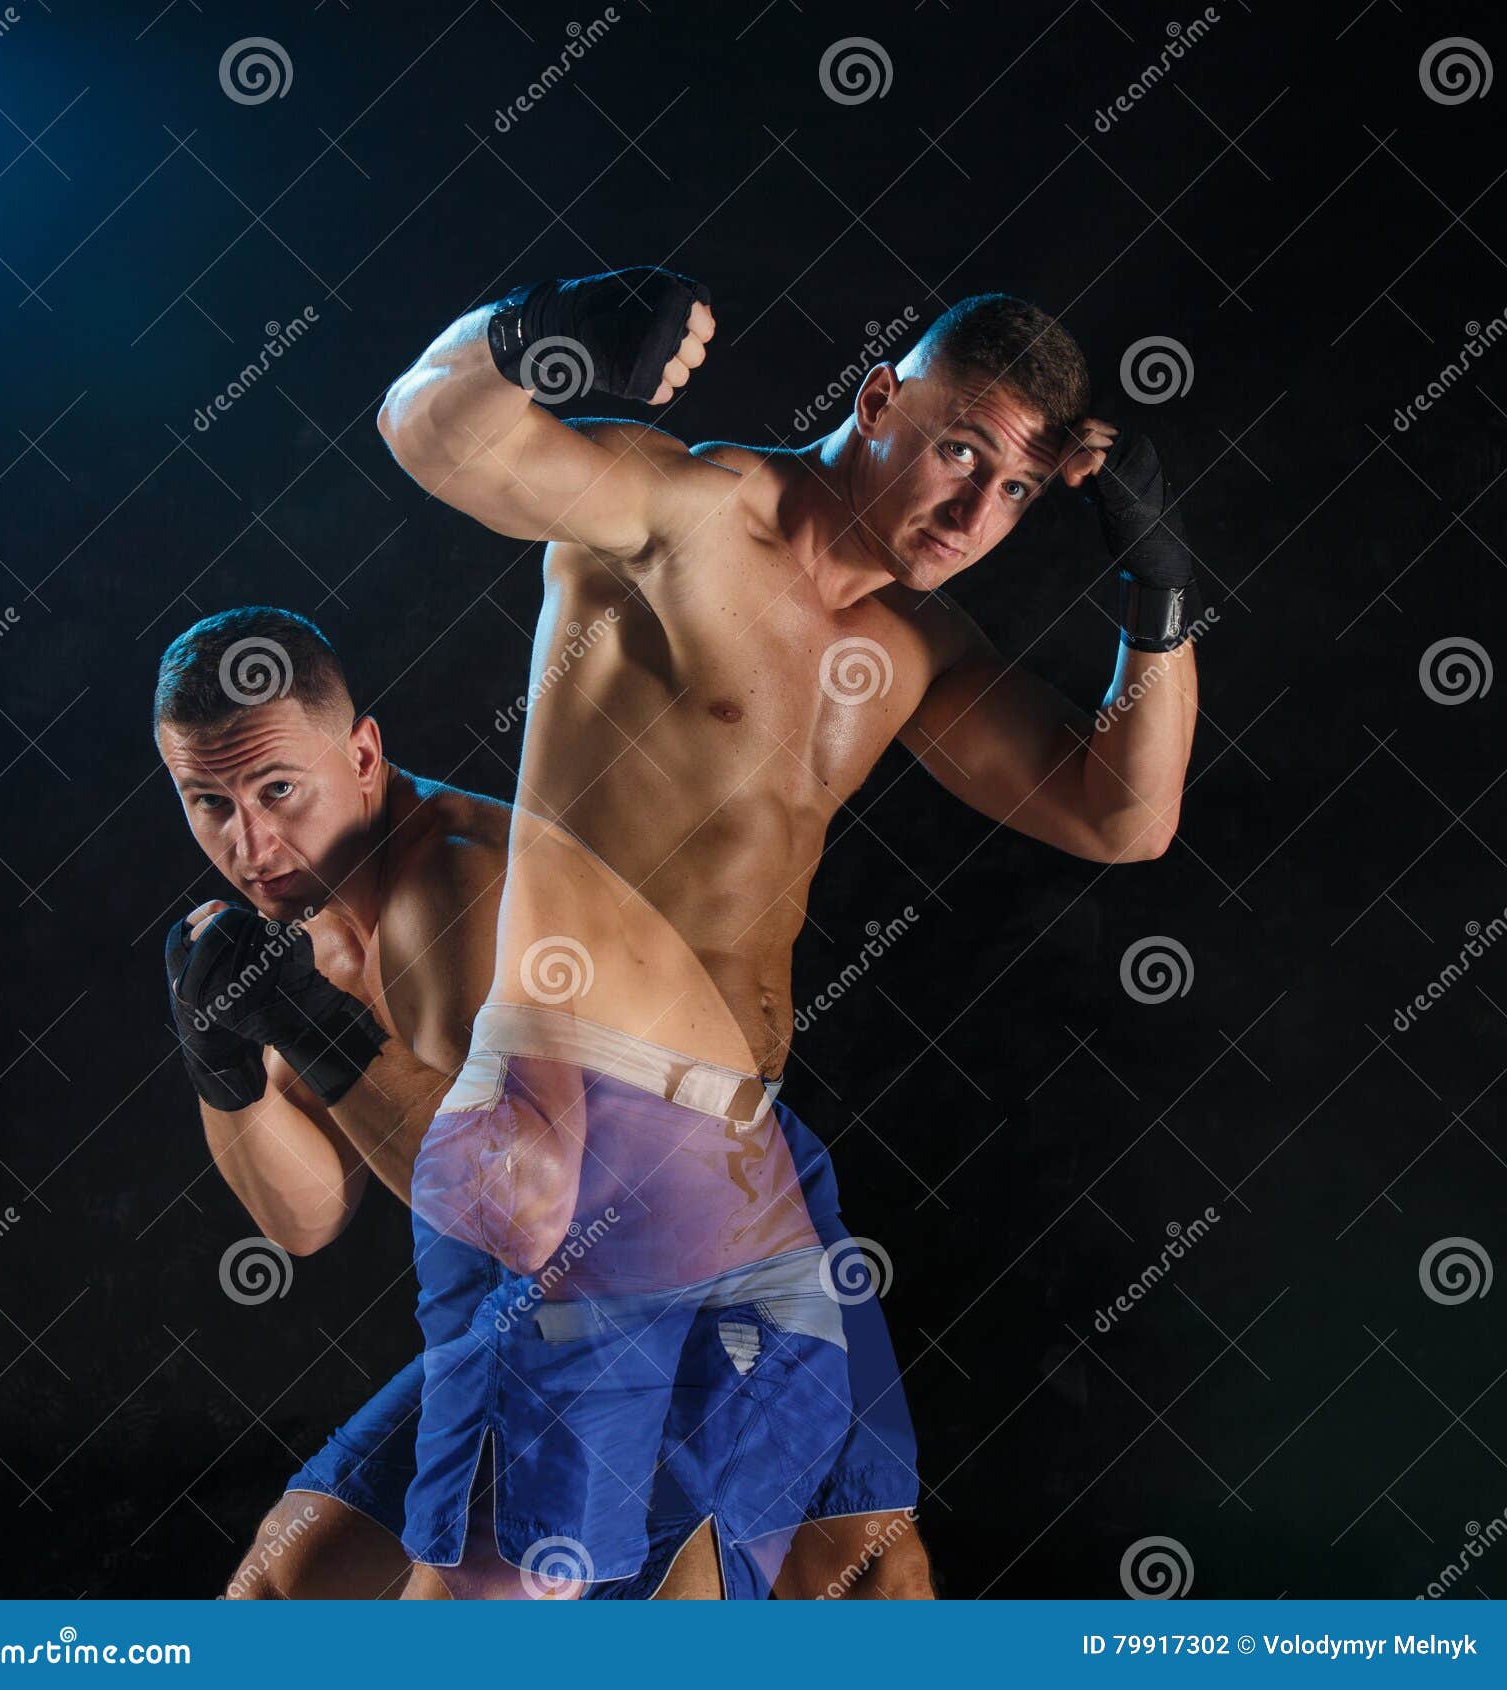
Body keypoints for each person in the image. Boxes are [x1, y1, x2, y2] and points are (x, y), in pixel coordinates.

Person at [375, 268, 1201, 1599]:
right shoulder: (685, 512)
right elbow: (432, 433)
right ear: (879, 400)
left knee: (864, 1561)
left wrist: (1157, 589)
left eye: (1017, 493)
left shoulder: (918, 644)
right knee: (525, 1588)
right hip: (587, 1109)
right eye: (959, 452)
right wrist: (525, 331)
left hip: (751, 1152)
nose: (976, 510)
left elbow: (1125, 815)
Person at [156, 603, 927, 1599]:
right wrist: (221, 1066)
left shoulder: (463, 886)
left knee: (825, 1580)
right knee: (280, 1588)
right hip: (569, 1287)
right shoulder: (304, 937)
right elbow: (303, 1216)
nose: (250, 841)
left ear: (361, 756)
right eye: (207, 801)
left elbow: (522, 1215)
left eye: (275, 789)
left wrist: (306, 1024)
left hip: (704, 1262)